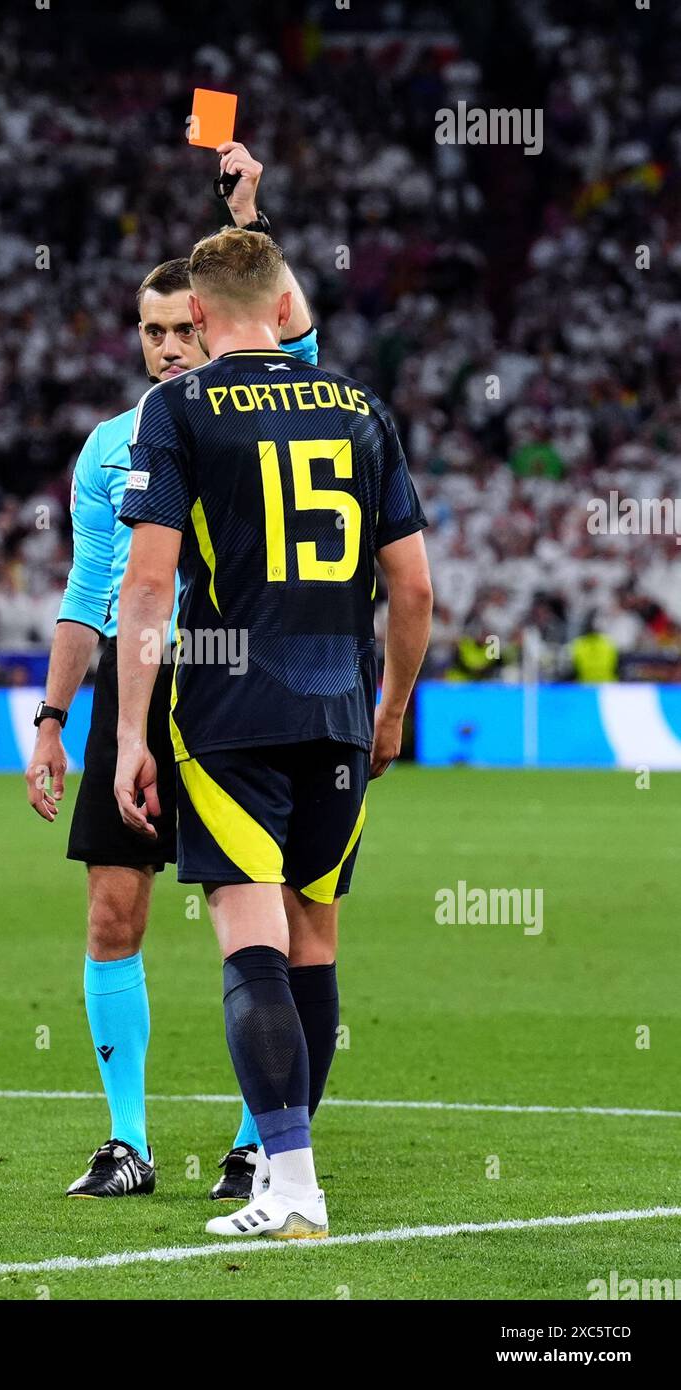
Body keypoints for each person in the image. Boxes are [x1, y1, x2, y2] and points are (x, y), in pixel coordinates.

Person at [114, 227, 432, 1238]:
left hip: (225, 710)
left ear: (197, 314)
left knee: (247, 938)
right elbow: (414, 584)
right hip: (340, 706)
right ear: (285, 305)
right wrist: (388, 713)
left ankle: (289, 1187)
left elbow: (151, 579)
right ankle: (280, 1167)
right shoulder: (360, 408)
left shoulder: (178, 408)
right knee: (314, 937)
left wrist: (129, 731)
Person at [25, 145, 320, 1199]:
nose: (162, 348)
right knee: (114, 910)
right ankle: (125, 1142)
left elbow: (296, 332)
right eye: (147, 333)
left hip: (237, 683)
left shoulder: (264, 407)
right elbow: (89, 588)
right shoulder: (108, 447)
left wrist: (249, 209)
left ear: (211, 321)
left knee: (259, 912)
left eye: (177, 329)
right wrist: (54, 716)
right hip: (132, 688)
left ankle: (256, 1137)